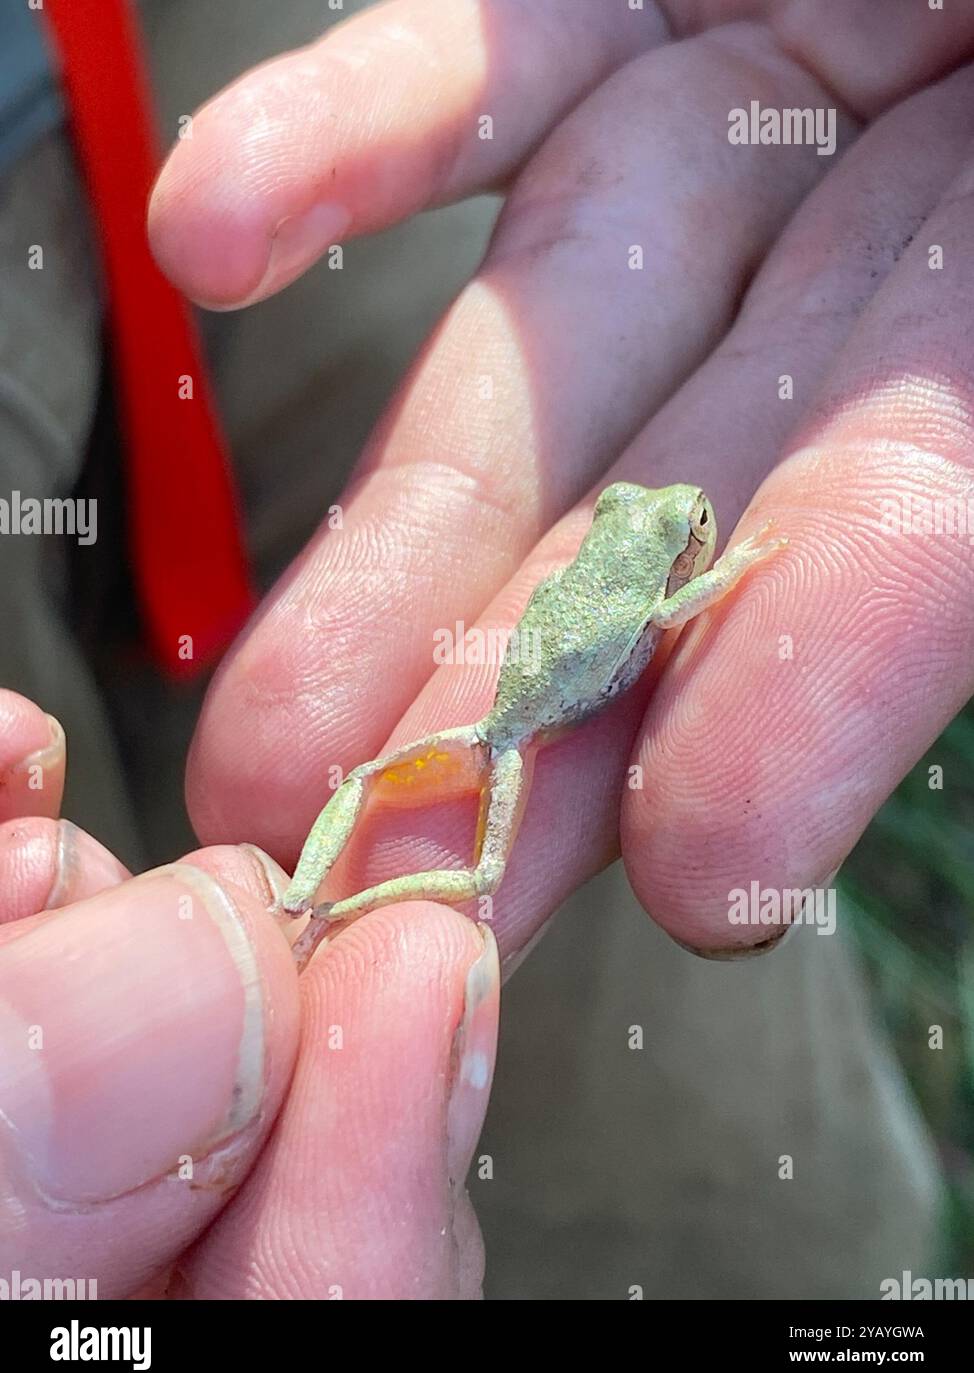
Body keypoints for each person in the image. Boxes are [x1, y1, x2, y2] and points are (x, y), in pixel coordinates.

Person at [1, 0, 971, 1298]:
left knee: (361, 751)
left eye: (687, 530)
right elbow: (684, 594)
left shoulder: (640, 566)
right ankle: (314, 922)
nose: (695, 532)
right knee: (387, 838)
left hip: (139, 42)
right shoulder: (676, 583)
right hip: (515, 720)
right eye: (688, 530)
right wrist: (733, 564)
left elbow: (639, 583)